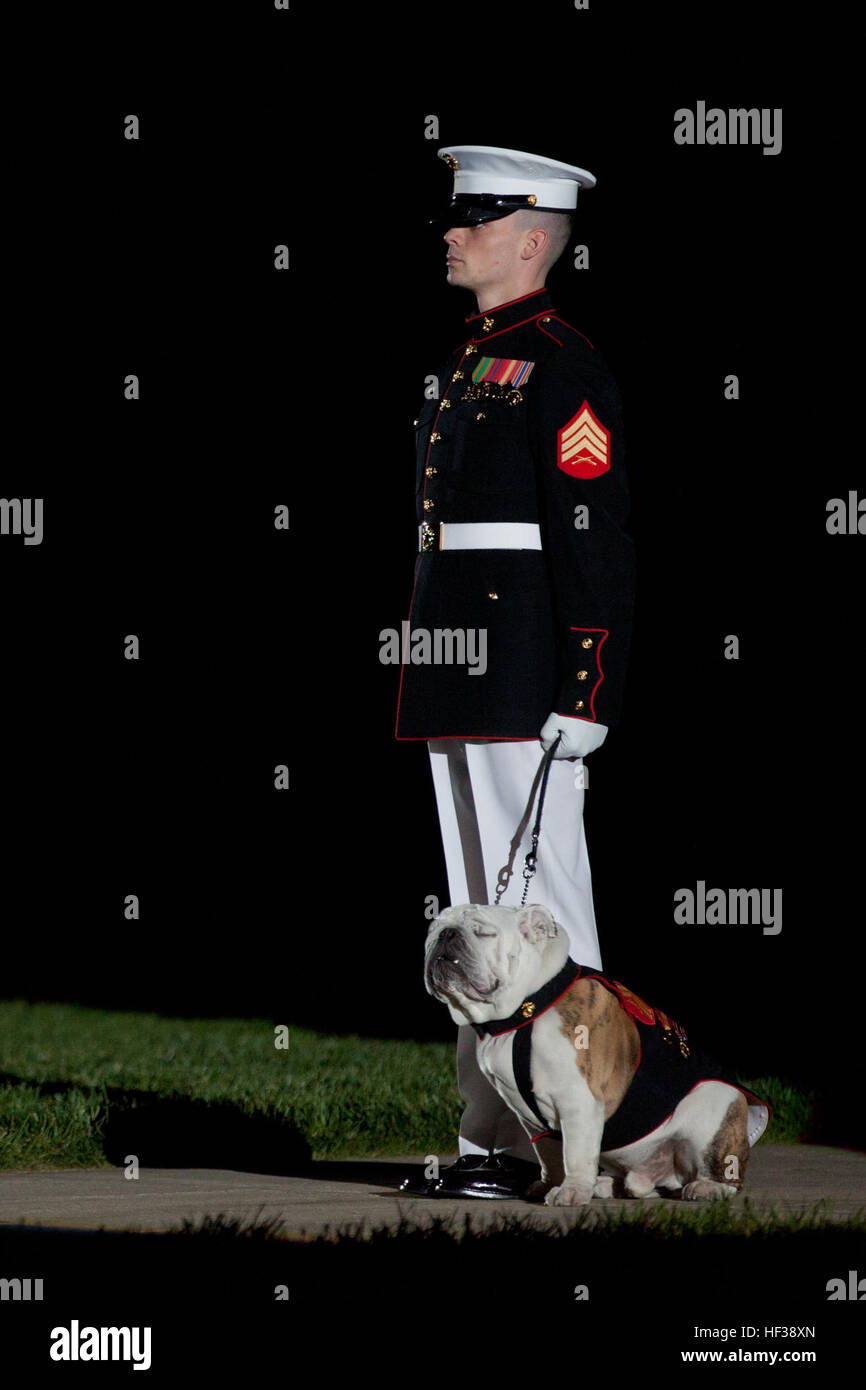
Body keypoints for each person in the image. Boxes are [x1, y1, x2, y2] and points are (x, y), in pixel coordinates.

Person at [397, 146, 636, 1198]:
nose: (450, 233)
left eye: (473, 219)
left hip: (521, 679)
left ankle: (596, 1140)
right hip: (460, 672)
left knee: (543, 919)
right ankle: (494, 1143)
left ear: (531, 239)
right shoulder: (473, 358)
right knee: (471, 924)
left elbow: (592, 537)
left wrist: (585, 688)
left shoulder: (560, 364)